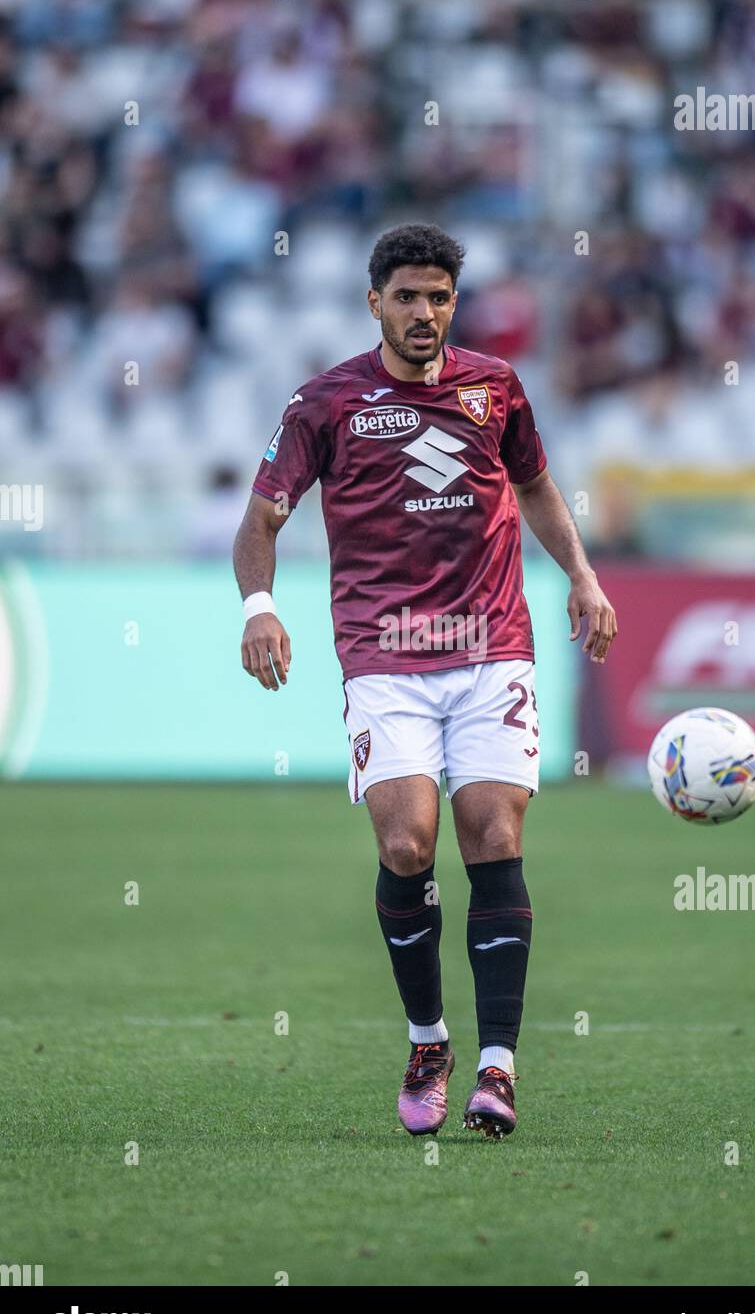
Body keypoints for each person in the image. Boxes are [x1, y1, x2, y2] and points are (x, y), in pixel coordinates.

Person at [233, 223, 617, 1139]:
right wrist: (258, 607)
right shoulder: (325, 405)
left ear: (455, 304)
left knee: (493, 833)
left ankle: (498, 1068)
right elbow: (261, 521)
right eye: (406, 295)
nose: (423, 312)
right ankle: (428, 1038)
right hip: (384, 655)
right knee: (408, 844)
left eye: (438, 297)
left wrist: (585, 576)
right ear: (375, 302)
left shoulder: (495, 388)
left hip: (493, 649)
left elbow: (537, 491)